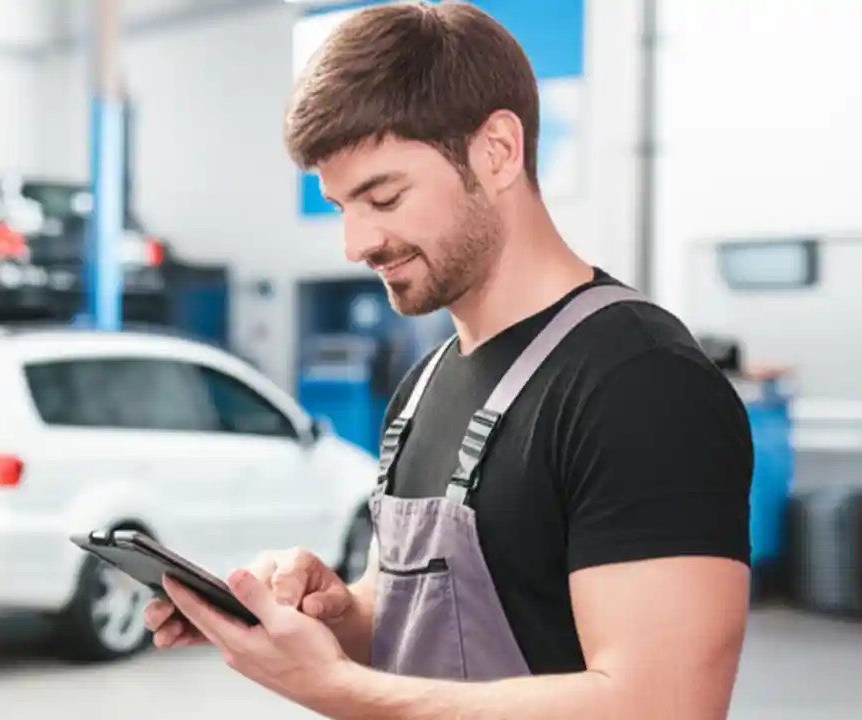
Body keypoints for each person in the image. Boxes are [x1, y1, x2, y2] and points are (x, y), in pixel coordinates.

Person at [143, 2, 753, 718]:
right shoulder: (423, 388)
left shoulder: (641, 383)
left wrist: (332, 689)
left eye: (383, 196)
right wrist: (335, 618)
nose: (356, 243)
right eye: (341, 205)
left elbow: (659, 705)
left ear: (496, 150)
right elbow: (423, 639)